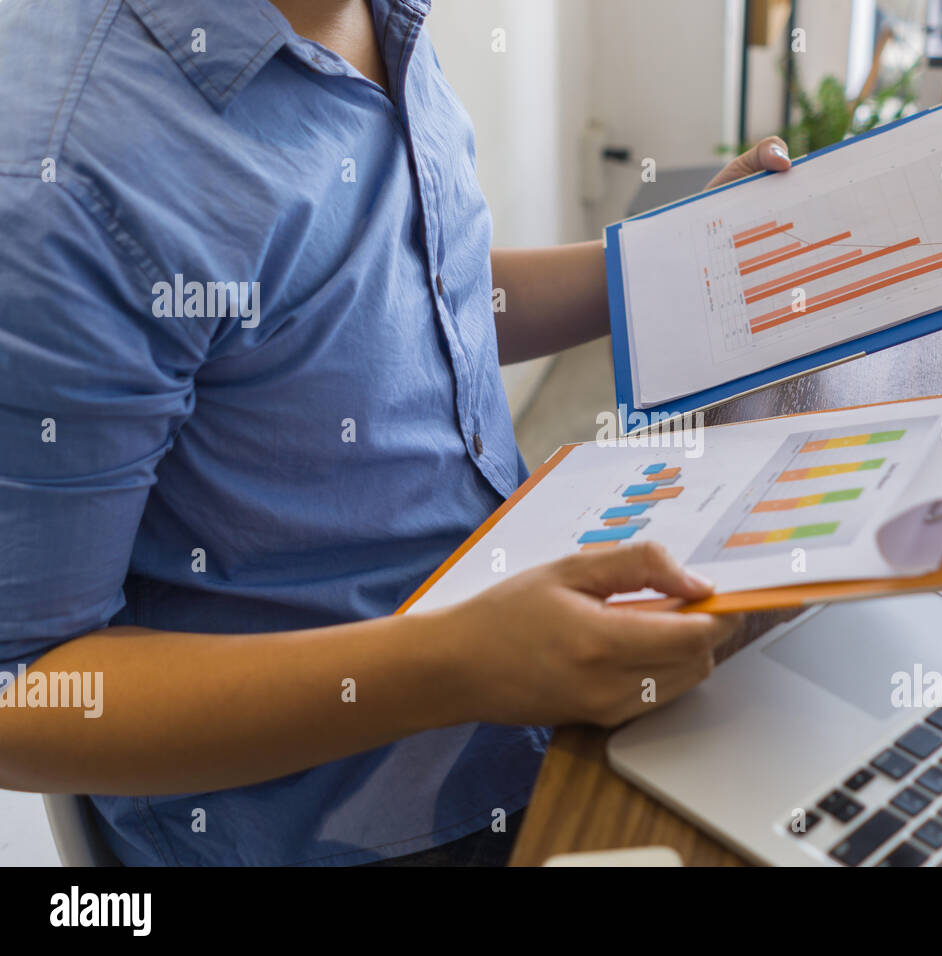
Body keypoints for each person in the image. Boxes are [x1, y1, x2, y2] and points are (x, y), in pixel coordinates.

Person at [0, 0, 790, 865]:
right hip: (350, 824)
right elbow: (24, 696)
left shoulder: (374, 16)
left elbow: (398, 300)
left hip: (534, 695)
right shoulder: (65, 163)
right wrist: (451, 665)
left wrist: (652, 272)